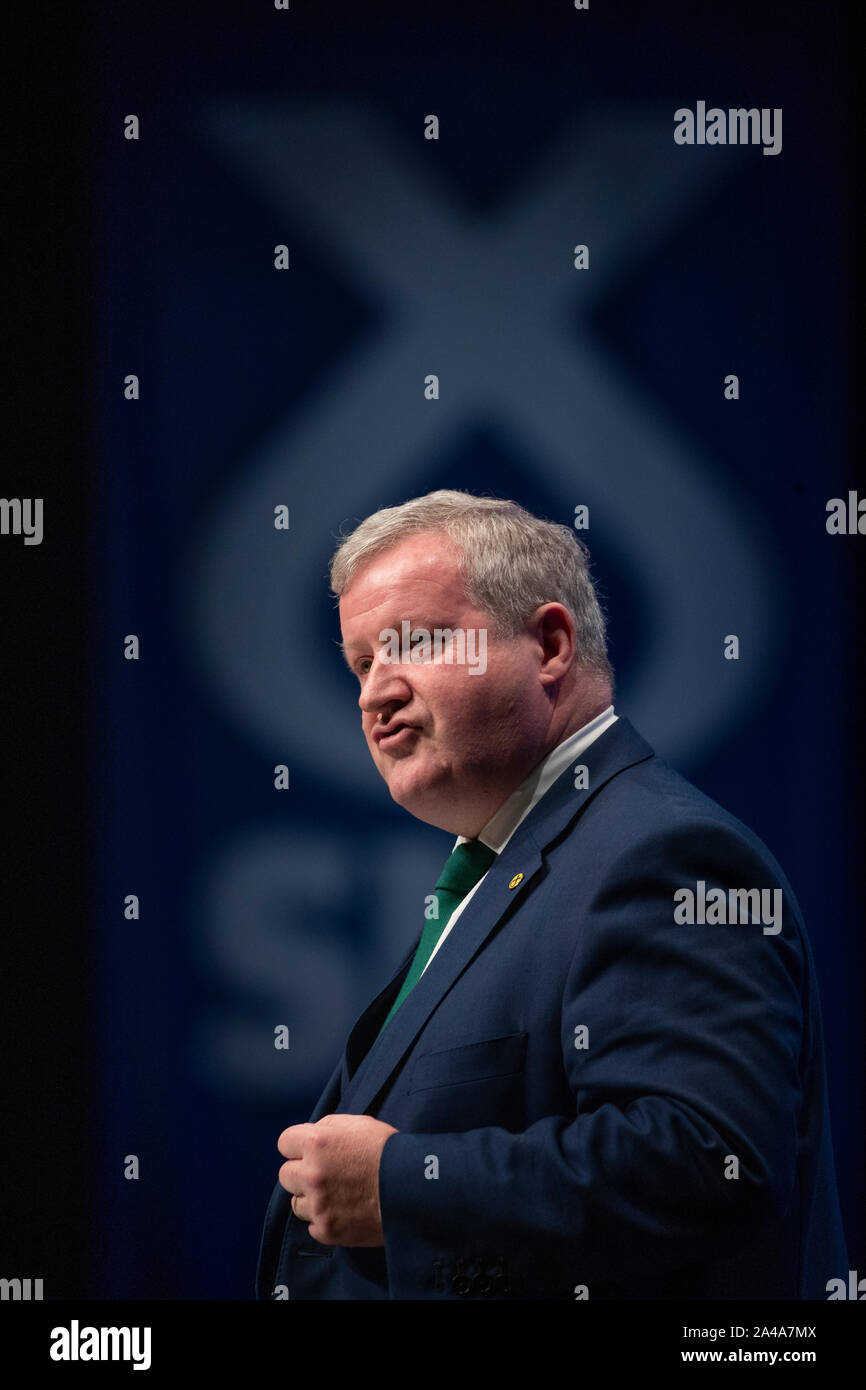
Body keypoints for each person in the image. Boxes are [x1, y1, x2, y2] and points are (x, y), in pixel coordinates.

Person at [255, 489, 848, 1300]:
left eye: (414, 644)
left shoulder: (662, 854)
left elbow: (710, 1160)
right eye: (362, 664)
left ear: (549, 645)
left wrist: (405, 1185)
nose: (374, 694)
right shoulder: (505, 868)